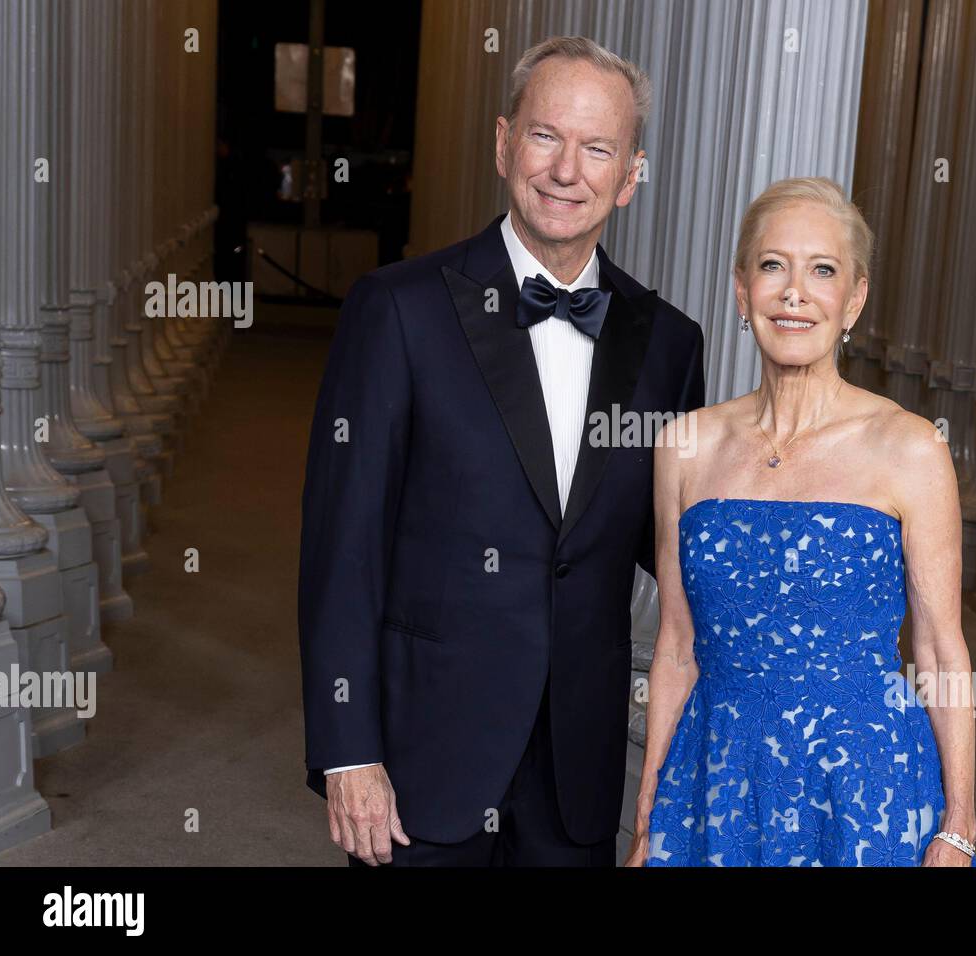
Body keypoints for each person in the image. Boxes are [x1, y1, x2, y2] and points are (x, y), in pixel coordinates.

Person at [298, 36, 704, 866]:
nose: (567, 171)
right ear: (503, 143)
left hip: (577, 774)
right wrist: (348, 752)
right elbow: (344, 548)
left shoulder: (668, 343)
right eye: (546, 136)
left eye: (598, 148)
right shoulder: (397, 310)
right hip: (420, 765)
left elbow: (676, 548)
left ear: (630, 176)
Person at [625, 178, 976, 867]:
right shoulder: (683, 446)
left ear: (854, 299)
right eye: (772, 266)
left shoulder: (909, 447)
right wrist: (649, 811)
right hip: (714, 780)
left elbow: (940, 649)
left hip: (862, 788)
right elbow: (675, 644)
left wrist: (958, 824)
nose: (794, 292)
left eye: (822, 270)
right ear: (741, 290)